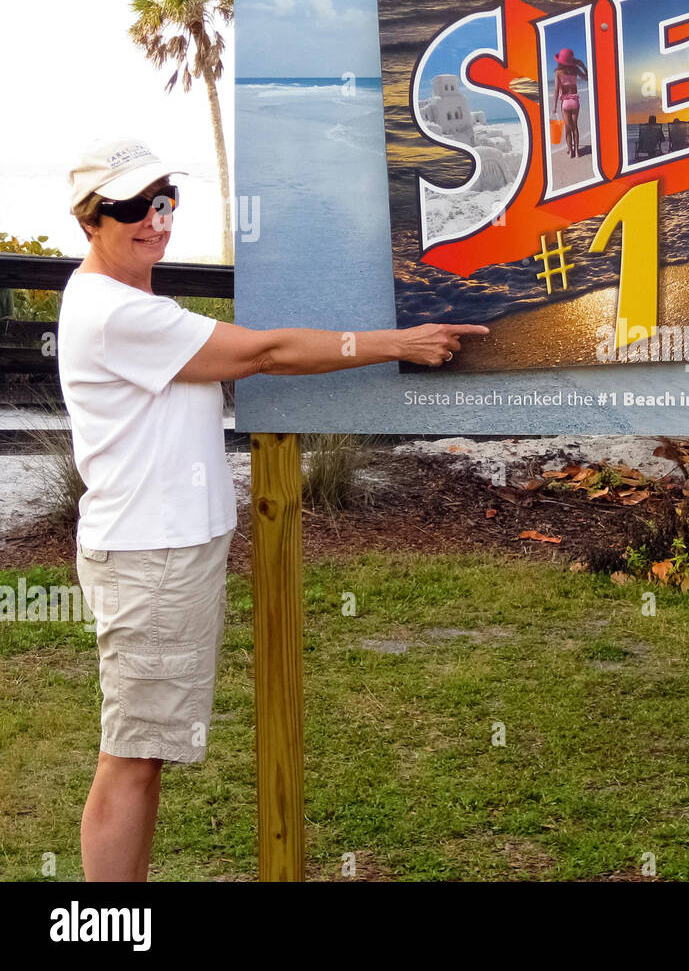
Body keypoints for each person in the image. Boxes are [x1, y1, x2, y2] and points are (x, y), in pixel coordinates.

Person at [58, 137, 489, 881]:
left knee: (145, 750)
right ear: (90, 220)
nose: (156, 221)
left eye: (165, 202)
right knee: (133, 756)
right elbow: (265, 353)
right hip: (150, 557)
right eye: (132, 207)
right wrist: (397, 343)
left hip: (162, 551)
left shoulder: (124, 300)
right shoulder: (113, 312)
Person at [550, 47, 588, 158]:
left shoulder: (558, 72)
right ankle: (577, 151)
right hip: (575, 101)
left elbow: (557, 90)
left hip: (565, 102)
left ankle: (569, 150)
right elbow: (587, 78)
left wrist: (555, 106)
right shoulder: (575, 70)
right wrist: (583, 66)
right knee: (575, 127)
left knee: (568, 127)